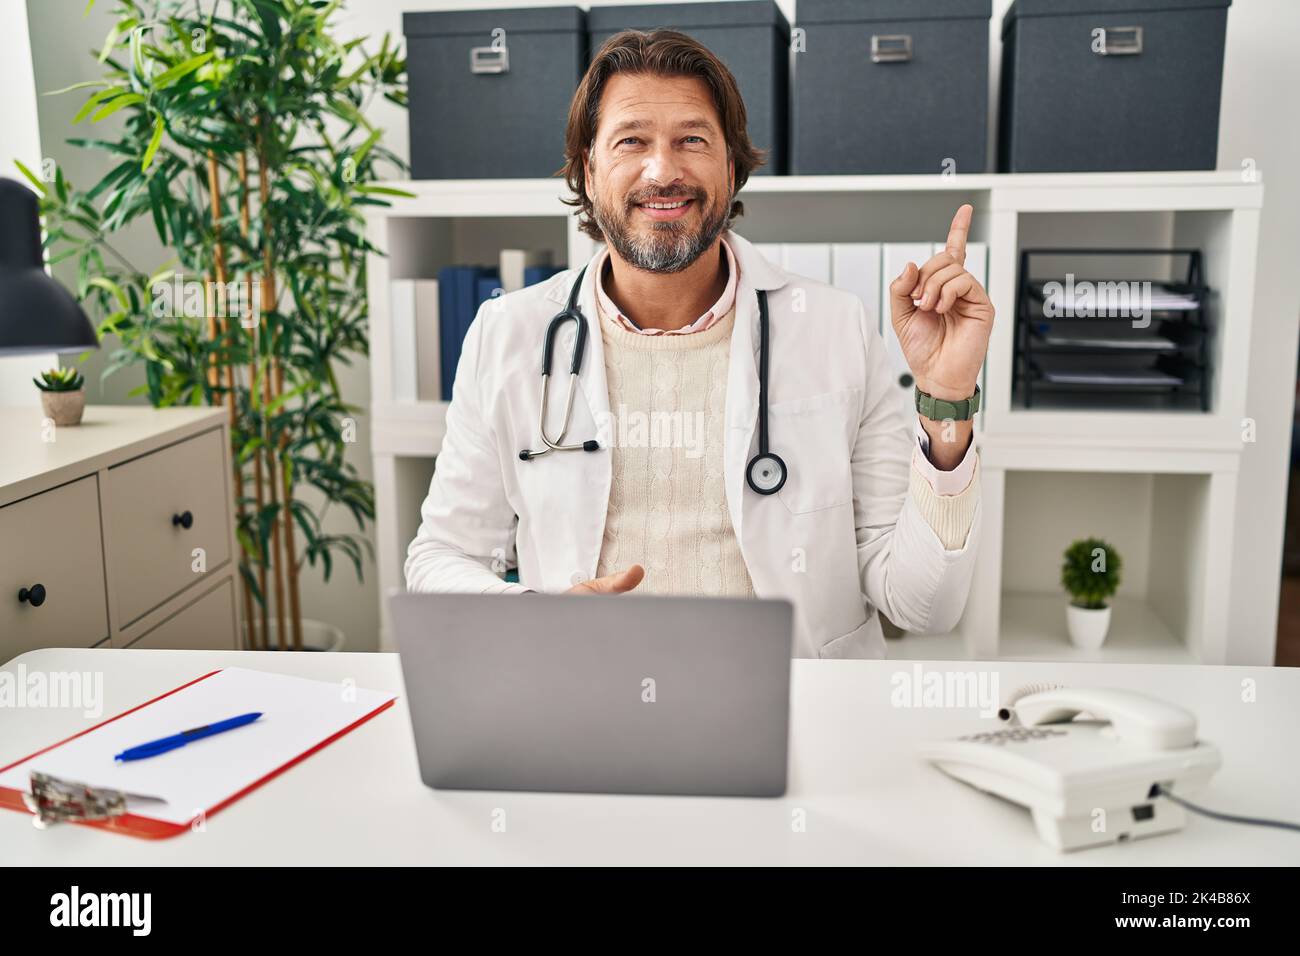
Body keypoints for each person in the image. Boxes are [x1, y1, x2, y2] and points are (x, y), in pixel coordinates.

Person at [405, 30, 994, 658]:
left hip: (796, 710)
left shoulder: (835, 327)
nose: (664, 170)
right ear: (588, 167)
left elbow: (925, 607)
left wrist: (947, 400)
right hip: (590, 702)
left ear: (731, 167)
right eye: (632, 140)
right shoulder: (508, 334)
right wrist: (536, 618)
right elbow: (443, 558)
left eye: (693, 139)